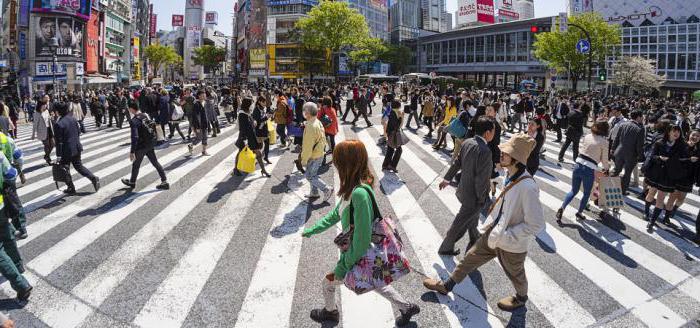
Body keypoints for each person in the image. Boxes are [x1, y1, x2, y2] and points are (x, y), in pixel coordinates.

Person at [302, 140, 420, 326]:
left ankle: (331, 313)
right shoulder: (352, 187)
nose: (334, 163)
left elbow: (363, 239)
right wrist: (313, 229)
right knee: (375, 281)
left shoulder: (359, 194)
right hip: (361, 256)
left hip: (358, 254)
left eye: (337, 160)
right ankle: (406, 307)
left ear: (347, 164)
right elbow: (337, 213)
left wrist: (344, 265)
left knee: (328, 283)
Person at [423, 133, 543, 312]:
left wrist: (508, 235)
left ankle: (521, 298)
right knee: (470, 257)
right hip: (495, 232)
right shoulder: (510, 174)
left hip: (511, 243)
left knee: (516, 275)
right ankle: (447, 285)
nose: (501, 153)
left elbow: (535, 224)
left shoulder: (528, 187)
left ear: (517, 158)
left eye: (506, 152)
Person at [437, 117, 495, 255]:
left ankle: (475, 238)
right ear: (487, 133)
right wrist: (482, 198)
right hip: (473, 196)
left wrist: (447, 178)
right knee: (460, 222)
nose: (494, 133)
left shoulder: (468, 142)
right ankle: (446, 247)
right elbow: (481, 179)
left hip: (464, 189)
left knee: (471, 219)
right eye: (493, 131)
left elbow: (457, 163)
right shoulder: (485, 151)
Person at [555, 120, 610, 223]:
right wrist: (606, 169)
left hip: (578, 165)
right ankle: (579, 213)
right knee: (586, 193)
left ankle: (562, 208)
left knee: (573, 190)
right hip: (589, 169)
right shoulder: (604, 142)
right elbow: (605, 160)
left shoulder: (588, 136)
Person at [0, 152, 32, 302]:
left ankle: (21, 285)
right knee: (7, 237)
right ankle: (18, 266)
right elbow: (10, 174)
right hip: (1, 206)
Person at [644, 124, 687, 232]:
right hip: (656, 173)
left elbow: (683, 159)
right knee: (651, 194)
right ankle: (646, 212)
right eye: (674, 131)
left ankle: (652, 222)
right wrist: (659, 158)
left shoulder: (681, 145)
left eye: (678, 131)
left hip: (668, 176)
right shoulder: (659, 143)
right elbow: (652, 156)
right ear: (668, 132)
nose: (676, 133)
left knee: (661, 198)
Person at [52, 102, 100, 194]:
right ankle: (93, 178)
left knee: (65, 169)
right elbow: (78, 132)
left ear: (58, 112)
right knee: (79, 166)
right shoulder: (73, 119)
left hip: (66, 151)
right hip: (76, 147)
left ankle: (71, 187)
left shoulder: (59, 124)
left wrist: (58, 155)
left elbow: (59, 142)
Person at [121, 101, 169, 190]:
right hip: (150, 143)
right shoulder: (145, 115)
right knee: (155, 162)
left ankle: (132, 182)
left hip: (141, 146)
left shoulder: (134, 121)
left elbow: (134, 137)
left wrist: (132, 151)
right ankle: (164, 181)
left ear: (131, 109)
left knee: (136, 165)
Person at [300, 102, 332, 201]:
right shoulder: (316, 121)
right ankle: (314, 192)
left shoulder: (310, 126)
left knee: (309, 176)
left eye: (304, 110)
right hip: (319, 153)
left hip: (313, 155)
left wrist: (304, 160)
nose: (303, 112)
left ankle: (326, 189)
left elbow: (307, 146)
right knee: (313, 174)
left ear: (308, 112)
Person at [233, 97, 271, 177]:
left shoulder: (248, 112)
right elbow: (242, 128)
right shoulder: (242, 114)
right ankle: (236, 169)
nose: (252, 105)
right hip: (245, 137)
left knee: (258, 153)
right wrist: (245, 140)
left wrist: (254, 123)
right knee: (240, 152)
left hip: (252, 136)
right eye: (251, 104)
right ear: (247, 104)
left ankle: (263, 170)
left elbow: (251, 123)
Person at [610, 110, 645, 194]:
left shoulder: (623, 124)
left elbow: (617, 138)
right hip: (631, 154)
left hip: (619, 151)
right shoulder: (640, 129)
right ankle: (622, 190)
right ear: (638, 117)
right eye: (642, 117)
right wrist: (641, 156)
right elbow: (639, 145)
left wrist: (613, 149)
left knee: (616, 170)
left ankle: (608, 185)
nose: (643, 119)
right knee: (627, 173)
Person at [383, 100, 404, 172]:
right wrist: (401, 117)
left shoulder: (392, 111)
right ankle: (392, 165)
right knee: (399, 150)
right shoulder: (395, 113)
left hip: (390, 133)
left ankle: (385, 165)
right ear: (398, 106)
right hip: (393, 133)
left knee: (390, 149)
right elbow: (397, 126)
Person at [33, 95, 54, 165]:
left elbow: (48, 119)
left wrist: (51, 117)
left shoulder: (46, 111)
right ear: (40, 106)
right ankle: (48, 159)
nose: (45, 106)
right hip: (42, 132)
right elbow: (35, 124)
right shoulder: (37, 114)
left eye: (45, 105)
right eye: (44, 105)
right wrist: (33, 134)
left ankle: (46, 156)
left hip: (49, 130)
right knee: (47, 145)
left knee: (53, 144)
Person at [187, 90, 209, 156]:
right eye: (202, 95)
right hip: (199, 124)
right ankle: (191, 145)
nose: (204, 96)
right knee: (199, 138)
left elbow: (206, 114)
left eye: (204, 95)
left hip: (205, 123)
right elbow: (195, 116)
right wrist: (197, 127)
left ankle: (204, 151)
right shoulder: (196, 104)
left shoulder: (205, 102)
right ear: (199, 96)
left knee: (205, 138)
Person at [252, 96, 271, 164]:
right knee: (259, 146)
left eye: (265, 102)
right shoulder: (256, 110)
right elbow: (257, 121)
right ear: (259, 102)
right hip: (259, 130)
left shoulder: (262, 108)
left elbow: (264, 117)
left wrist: (268, 116)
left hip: (264, 129)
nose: (265, 103)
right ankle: (255, 158)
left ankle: (266, 157)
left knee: (267, 143)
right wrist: (266, 117)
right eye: (263, 102)